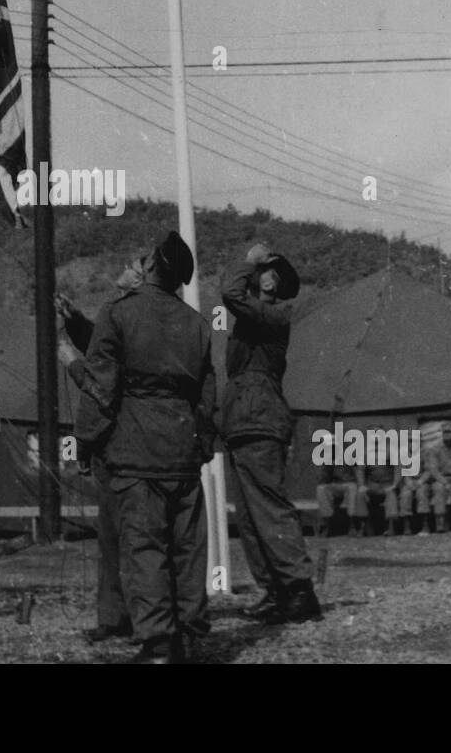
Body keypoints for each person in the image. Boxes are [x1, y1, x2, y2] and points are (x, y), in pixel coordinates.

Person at [76, 231, 217, 663]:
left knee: (145, 546)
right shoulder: (196, 323)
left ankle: (159, 643)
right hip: (184, 449)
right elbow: (208, 395)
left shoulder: (118, 313)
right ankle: (191, 638)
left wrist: (87, 440)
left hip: (136, 449)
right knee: (188, 549)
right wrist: (202, 446)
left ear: (152, 264)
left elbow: (102, 389)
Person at [219, 242, 322, 624]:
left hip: (259, 415)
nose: (264, 273)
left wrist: (246, 260)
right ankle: (275, 590)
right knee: (248, 515)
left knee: (269, 508)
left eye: (270, 271)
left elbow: (230, 292)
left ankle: (299, 589)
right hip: (243, 417)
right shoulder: (251, 317)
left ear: (276, 286)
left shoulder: (274, 315)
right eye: (262, 269)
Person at [53, 256, 146, 644]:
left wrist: (73, 363)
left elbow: (104, 381)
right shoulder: (131, 318)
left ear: (143, 281)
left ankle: (138, 621)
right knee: (111, 537)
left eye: (133, 268)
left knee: (132, 538)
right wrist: (74, 321)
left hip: (126, 445)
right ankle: (116, 617)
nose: (122, 268)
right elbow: (103, 344)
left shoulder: (139, 323)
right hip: (118, 447)